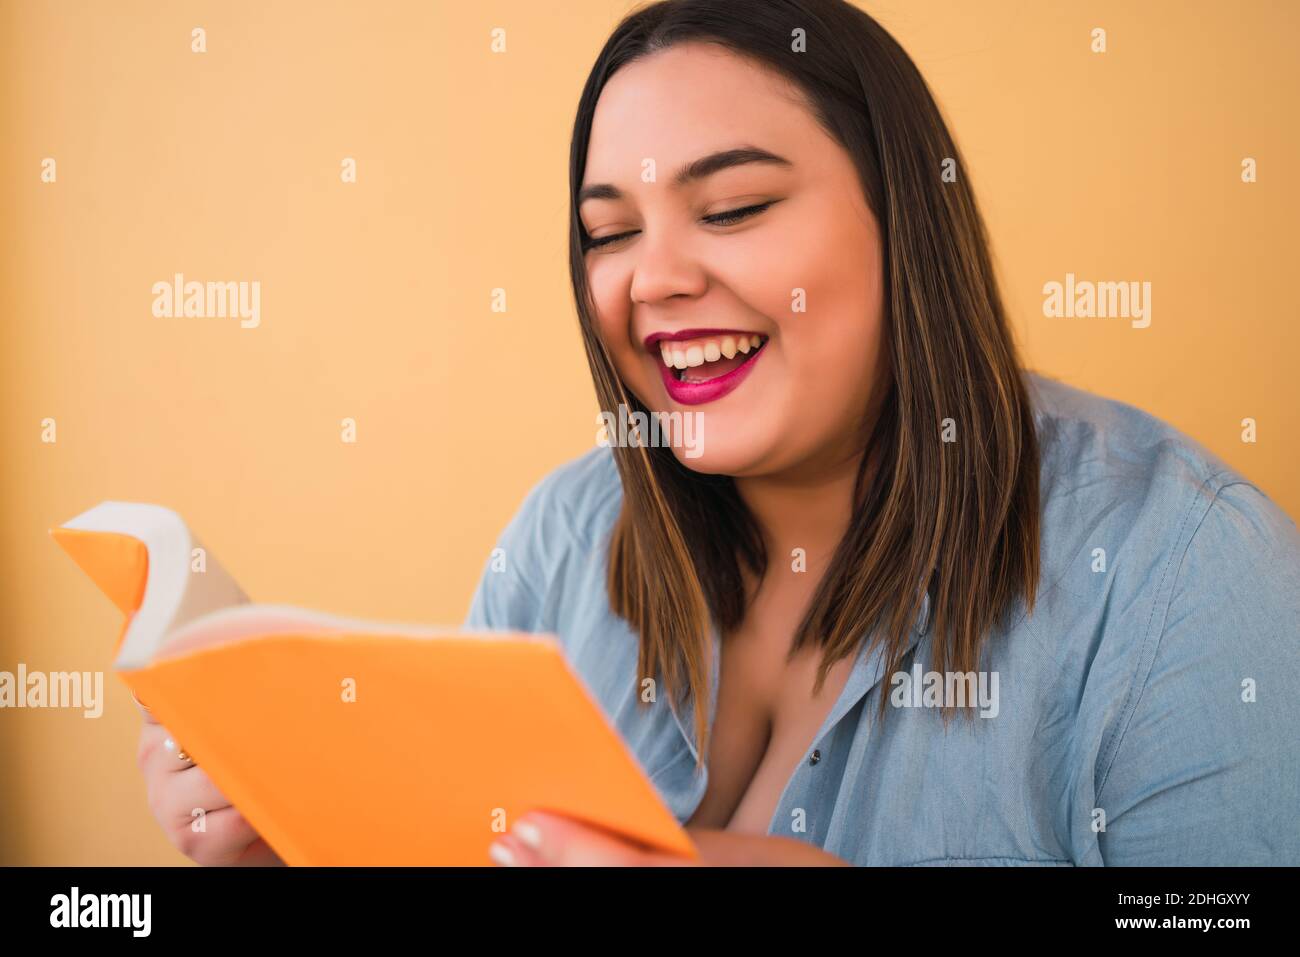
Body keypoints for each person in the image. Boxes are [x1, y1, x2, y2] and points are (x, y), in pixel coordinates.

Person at [137, 0, 1300, 867]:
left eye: (733, 208)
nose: (653, 280)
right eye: (608, 232)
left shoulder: (1181, 574)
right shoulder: (562, 537)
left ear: (905, 219)